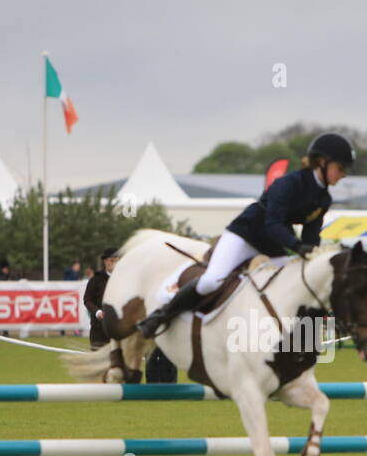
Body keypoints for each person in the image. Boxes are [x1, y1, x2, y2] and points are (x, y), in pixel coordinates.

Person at [136, 131, 353, 337]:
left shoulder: (323, 199)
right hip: (245, 235)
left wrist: (312, 253)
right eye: (340, 168)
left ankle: (300, 338)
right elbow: (273, 223)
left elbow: (311, 237)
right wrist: (296, 246)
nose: (343, 175)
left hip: (272, 245)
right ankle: (161, 315)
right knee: (211, 281)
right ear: (322, 162)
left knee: (297, 282)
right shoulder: (289, 183)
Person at [83, 247, 119, 349]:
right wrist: (97, 312)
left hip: (119, 328)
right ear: (105, 261)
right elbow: (87, 299)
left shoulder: (124, 278)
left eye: (116, 260)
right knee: (98, 362)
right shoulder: (96, 279)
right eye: (112, 260)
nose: (114, 263)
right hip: (99, 328)